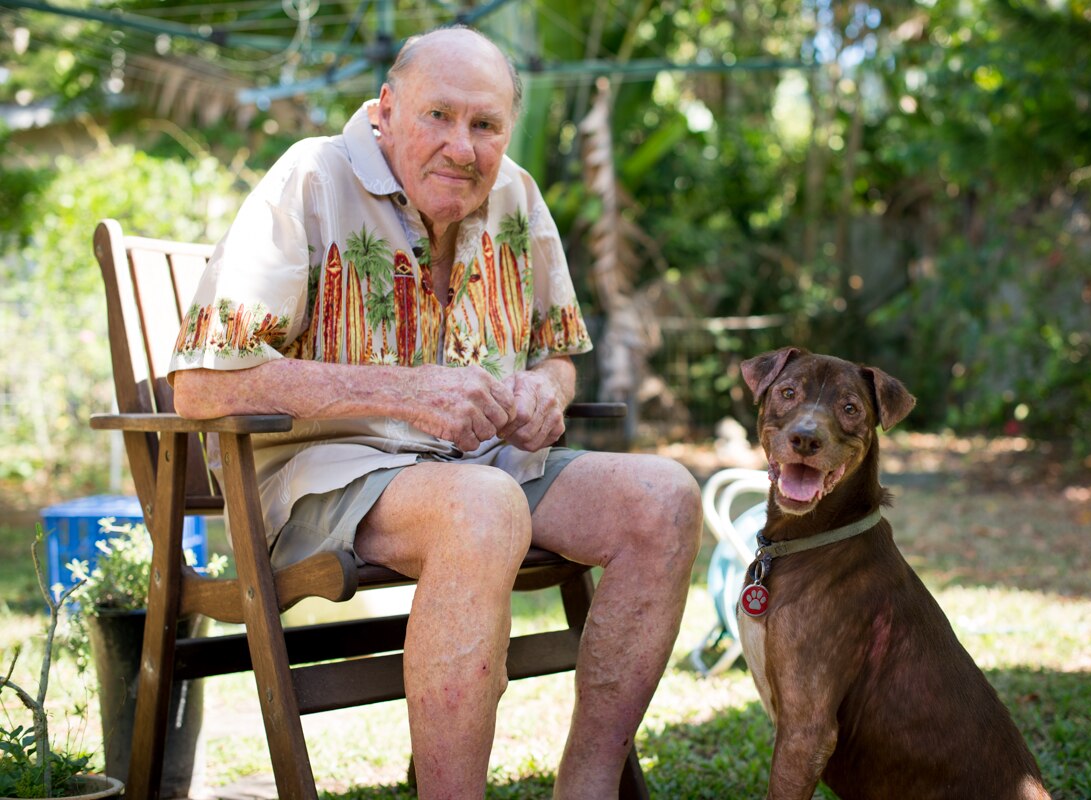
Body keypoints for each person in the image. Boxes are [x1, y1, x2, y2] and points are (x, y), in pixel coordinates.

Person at [168, 25, 702, 800]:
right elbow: (200, 387)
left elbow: (557, 354)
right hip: (328, 475)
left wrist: (546, 394)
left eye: (485, 124)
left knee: (665, 498)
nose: (463, 147)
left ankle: (587, 791)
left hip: (483, 465)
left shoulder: (516, 193)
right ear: (386, 110)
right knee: (482, 508)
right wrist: (403, 391)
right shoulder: (310, 177)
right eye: (438, 116)